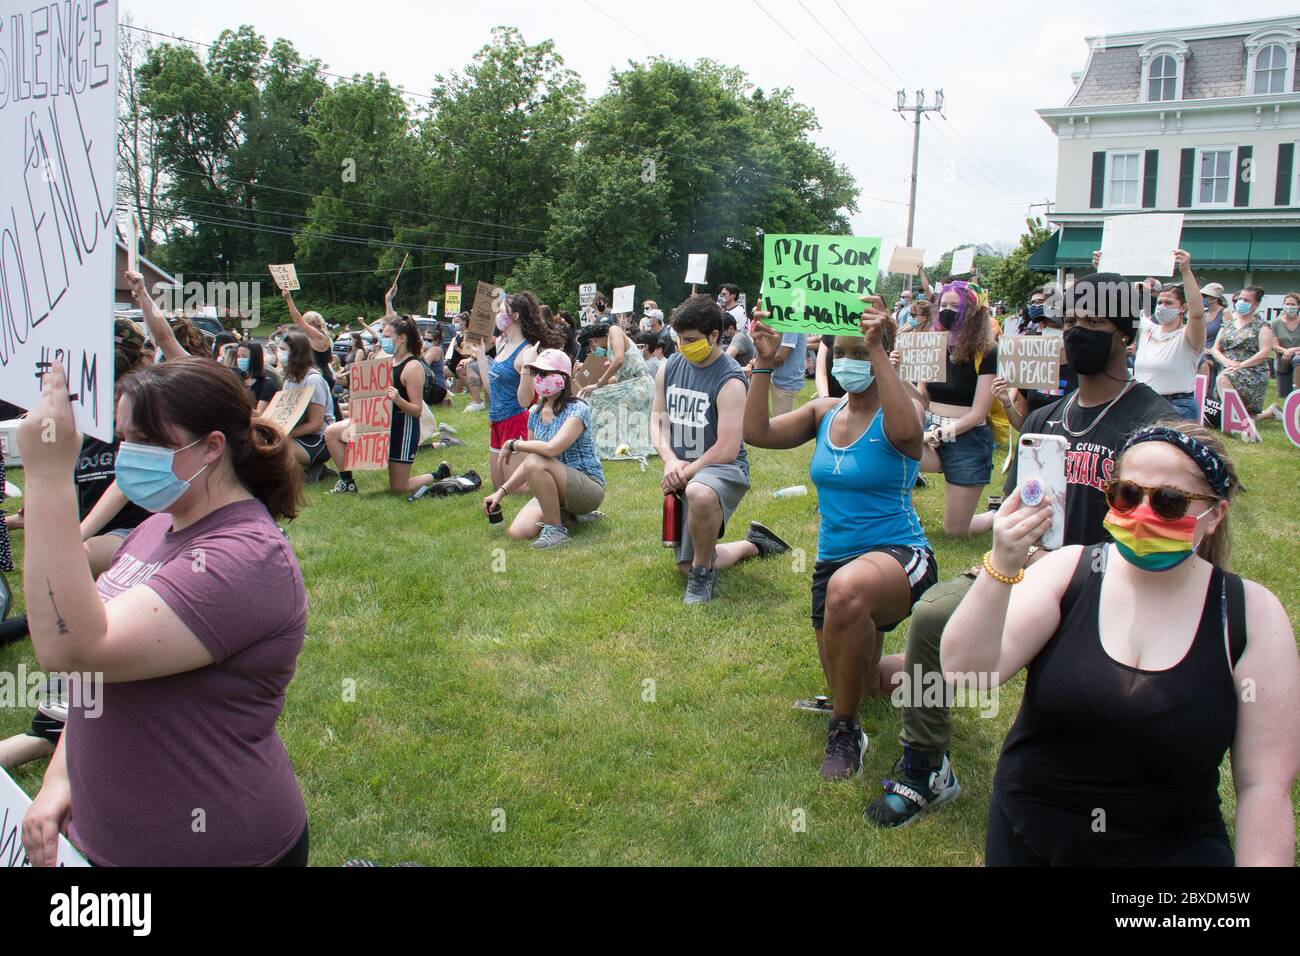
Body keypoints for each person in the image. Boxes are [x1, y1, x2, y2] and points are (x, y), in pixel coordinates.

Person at [886, 272, 1176, 828]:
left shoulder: (1156, 423)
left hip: (1115, 582)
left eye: (1092, 324)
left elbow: (1165, 529)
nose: (1076, 334)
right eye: (1069, 323)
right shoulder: (1045, 421)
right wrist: (997, 545)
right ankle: (925, 765)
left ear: (1125, 336)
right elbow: (1018, 504)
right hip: (1029, 574)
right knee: (930, 617)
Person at [943, 421, 1298, 865]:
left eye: (1169, 502)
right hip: (1033, 834)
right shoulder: (1068, 572)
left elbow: (1263, 786)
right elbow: (966, 670)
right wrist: (1002, 564)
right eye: (1127, 495)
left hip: (1172, 848)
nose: (1142, 513)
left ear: (1215, 515)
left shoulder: (1251, 616)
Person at [19, 358, 310, 867]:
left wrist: (46, 478)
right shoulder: (159, 525)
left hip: (213, 850)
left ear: (212, 447)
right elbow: (97, 679)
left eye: (148, 441)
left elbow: (76, 651)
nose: (129, 454)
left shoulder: (246, 557)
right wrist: (59, 779)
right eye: (125, 437)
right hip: (103, 840)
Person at [746, 305, 945, 801]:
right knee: (865, 681)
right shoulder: (823, 412)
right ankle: (940, 665)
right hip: (836, 566)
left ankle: (845, 729)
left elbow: (908, 437)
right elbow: (758, 434)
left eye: (862, 351)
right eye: (843, 352)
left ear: (882, 354)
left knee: (847, 592)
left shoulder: (902, 411)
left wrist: (877, 351)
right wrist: (763, 363)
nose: (848, 362)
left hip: (900, 555)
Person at [652, 294, 790, 604]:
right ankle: (755, 544)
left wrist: (683, 471)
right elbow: (657, 422)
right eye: (679, 339)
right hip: (684, 469)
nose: (683, 346)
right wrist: (670, 460)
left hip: (722, 468)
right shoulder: (670, 367)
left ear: (715, 336)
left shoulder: (730, 378)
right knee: (684, 566)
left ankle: (703, 578)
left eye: (691, 339)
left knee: (699, 493)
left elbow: (727, 448)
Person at [481, 350, 606, 548]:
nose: (540, 378)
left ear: (563, 377)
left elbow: (551, 449)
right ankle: (570, 516)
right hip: (553, 486)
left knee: (536, 460)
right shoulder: (535, 413)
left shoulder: (578, 409)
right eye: (537, 373)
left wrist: (514, 443)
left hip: (587, 487)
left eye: (546, 373)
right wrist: (501, 492)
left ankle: (556, 528)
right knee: (517, 532)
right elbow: (530, 463)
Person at [913, 280, 999, 537]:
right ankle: (901, 514)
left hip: (967, 438)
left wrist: (940, 434)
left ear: (973, 312)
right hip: (931, 430)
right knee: (892, 448)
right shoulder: (933, 344)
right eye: (944, 305)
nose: (946, 311)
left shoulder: (987, 352)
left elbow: (978, 413)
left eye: (955, 306)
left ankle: (996, 514)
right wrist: (897, 374)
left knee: (956, 531)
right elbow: (921, 397)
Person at [323, 315, 442, 497]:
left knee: (399, 487)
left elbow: (417, 410)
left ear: (401, 338)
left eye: (386, 335)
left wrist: (398, 400)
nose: (382, 339)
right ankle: (347, 483)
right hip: (378, 423)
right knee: (331, 432)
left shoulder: (412, 367)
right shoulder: (388, 361)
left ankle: (439, 474)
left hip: (402, 428)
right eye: (382, 334)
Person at [474, 292, 564, 490]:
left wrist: (527, 368)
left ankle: (556, 485)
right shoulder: (502, 344)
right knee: (499, 486)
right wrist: (480, 355)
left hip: (515, 423)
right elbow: (491, 389)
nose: (497, 314)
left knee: (516, 491)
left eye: (501, 310)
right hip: (496, 422)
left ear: (515, 316)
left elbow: (524, 401)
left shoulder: (526, 352)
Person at [1132, 250, 1206, 421]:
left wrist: (1186, 271)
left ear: (1183, 308)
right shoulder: (1148, 329)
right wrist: (1103, 268)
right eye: (1159, 302)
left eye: (1169, 303)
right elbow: (1117, 305)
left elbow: (1197, 314)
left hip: (1177, 407)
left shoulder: (1188, 336)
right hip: (1143, 403)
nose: (1162, 306)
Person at [575, 320, 655, 459]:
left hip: (639, 385)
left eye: (590, 350)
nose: (594, 353)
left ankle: (600, 445)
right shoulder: (609, 349)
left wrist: (599, 384)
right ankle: (602, 443)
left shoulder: (614, 331)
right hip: (630, 384)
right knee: (590, 395)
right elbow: (617, 378)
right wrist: (596, 385)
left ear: (592, 341)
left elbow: (619, 361)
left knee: (592, 398)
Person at [278, 330, 335, 477]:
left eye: (284, 349)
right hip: (298, 434)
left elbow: (316, 424)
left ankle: (313, 469)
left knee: (275, 447)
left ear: (296, 353)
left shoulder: (312, 380)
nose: (280, 354)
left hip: (319, 439)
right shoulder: (290, 380)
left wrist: (285, 434)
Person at [1209, 287, 1274, 416]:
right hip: (1228, 367)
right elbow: (1215, 348)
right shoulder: (1228, 325)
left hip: (1252, 370)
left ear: (1255, 304)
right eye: (1240, 299)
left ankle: (1238, 420)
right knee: (1244, 414)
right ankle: (1265, 414)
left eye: (1246, 300)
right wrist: (1226, 362)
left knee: (1223, 379)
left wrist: (1240, 365)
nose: (1241, 302)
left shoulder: (1262, 326)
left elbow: (1265, 352)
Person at [1260, 292, 1300, 420]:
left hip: (1298, 357)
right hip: (1282, 360)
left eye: (1293, 304)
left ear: (1298, 306)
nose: (1290, 306)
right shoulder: (1276, 323)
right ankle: (1284, 414)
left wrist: (1292, 350)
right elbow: (1274, 345)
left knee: (1297, 359)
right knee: (1283, 395)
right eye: (1287, 304)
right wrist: (1286, 351)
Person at [768, 328, 809, 416]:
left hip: (786, 383)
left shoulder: (791, 323)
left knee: (781, 426)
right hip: (781, 379)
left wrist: (761, 368)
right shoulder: (787, 321)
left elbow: (782, 356)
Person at [1198, 282, 1229, 381]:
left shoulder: (1225, 312)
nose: (1202, 298)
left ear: (1215, 298)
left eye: (1205, 296)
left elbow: (1229, 336)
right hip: (1199, 351)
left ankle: (1204, 394)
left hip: (1215, 354)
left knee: (1203, 362)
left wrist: (1212, 350)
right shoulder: (1203, 314)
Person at [238, 342, 280, 414]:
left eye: (244, 356)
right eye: (238, 356)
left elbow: (259, 414)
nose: (240, 359)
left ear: (255, 358)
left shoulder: (266, 384)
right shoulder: (237, 379)